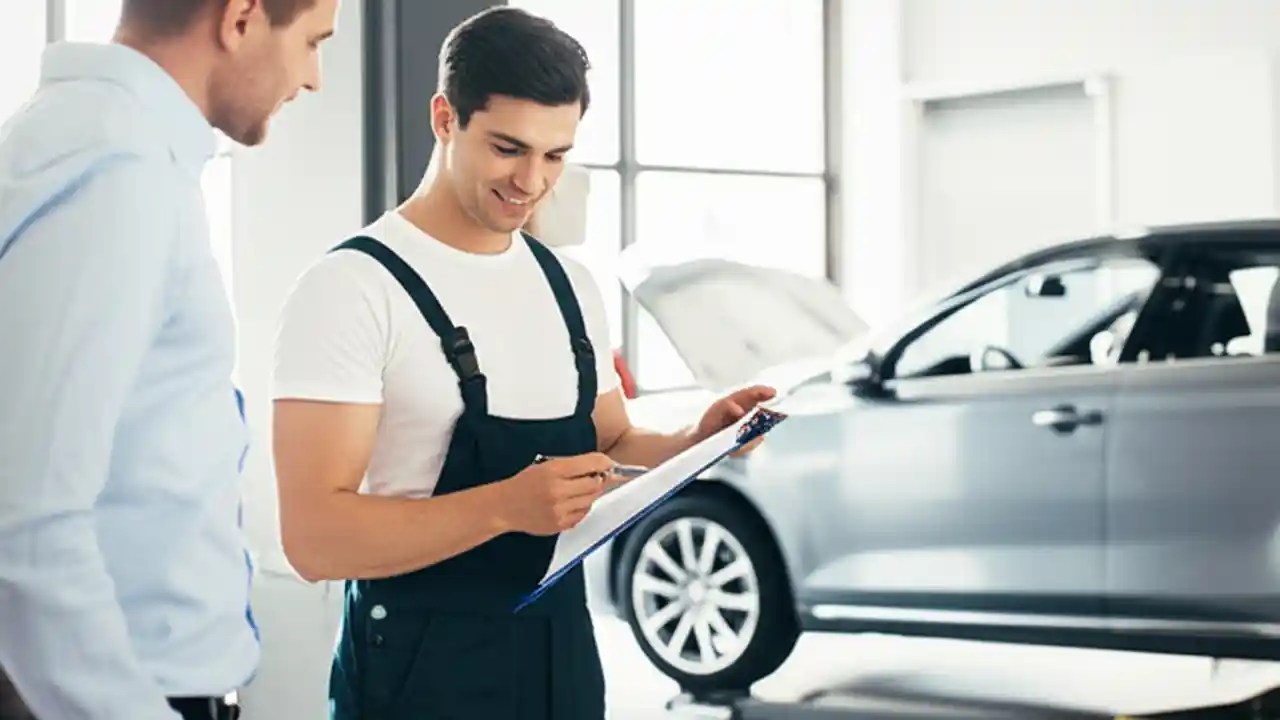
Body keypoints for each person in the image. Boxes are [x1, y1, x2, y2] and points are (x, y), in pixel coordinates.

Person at [270, 7, 774, 720]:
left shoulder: (571, 287)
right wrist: (506, 507)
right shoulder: (353, 289)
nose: (532, 182)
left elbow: (610, 442)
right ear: (445, 118)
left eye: (555, 155)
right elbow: (314, 540)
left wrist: (697, 440)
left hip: (560, 658)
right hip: (417, 673)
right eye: (508, 148)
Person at [0, 1, 339, 719]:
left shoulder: (106, 144)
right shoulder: (116, 167)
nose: (314, 78)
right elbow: (23, 519)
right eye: (312, 42)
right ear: (241, 18)